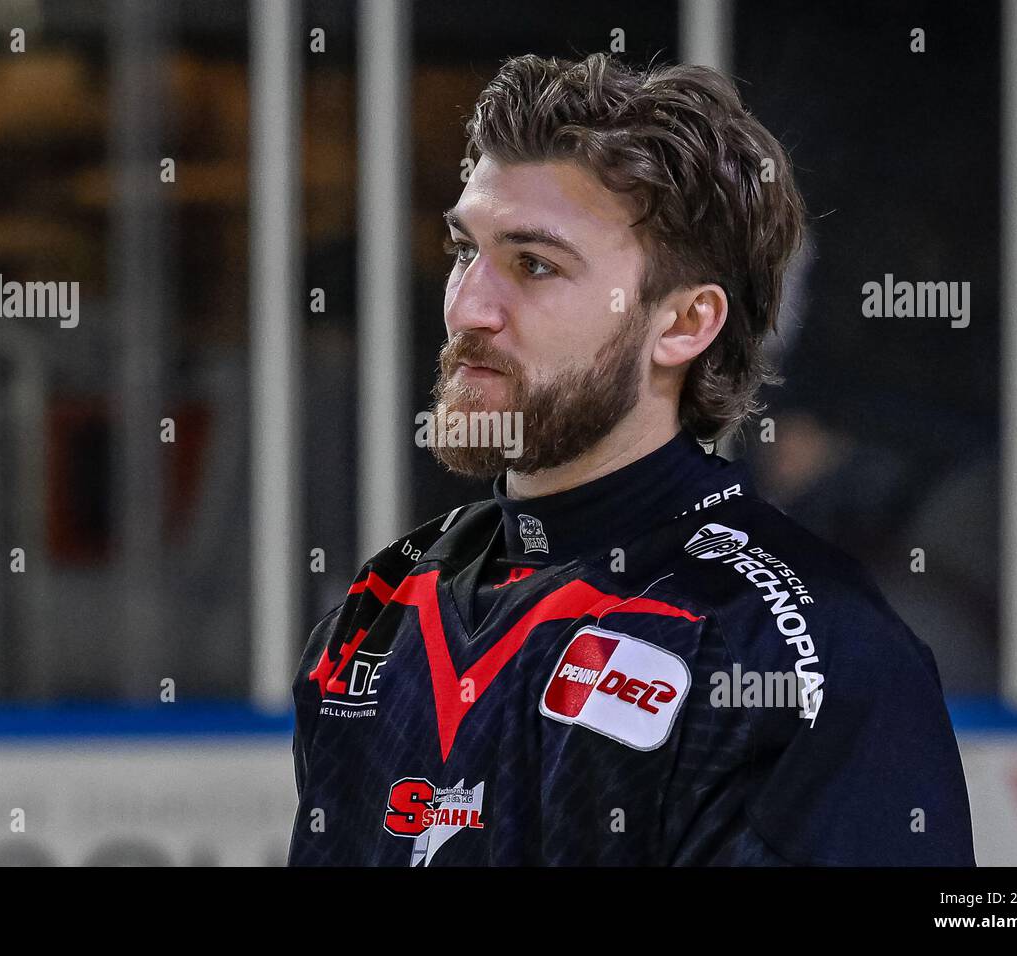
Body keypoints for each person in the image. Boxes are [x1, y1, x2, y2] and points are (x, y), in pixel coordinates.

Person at [287, 52, 975, 865]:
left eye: (534, 264)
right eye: (465, 250)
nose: (468, 308)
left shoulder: (803, 653)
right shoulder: (380, 610)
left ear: (684, 324)